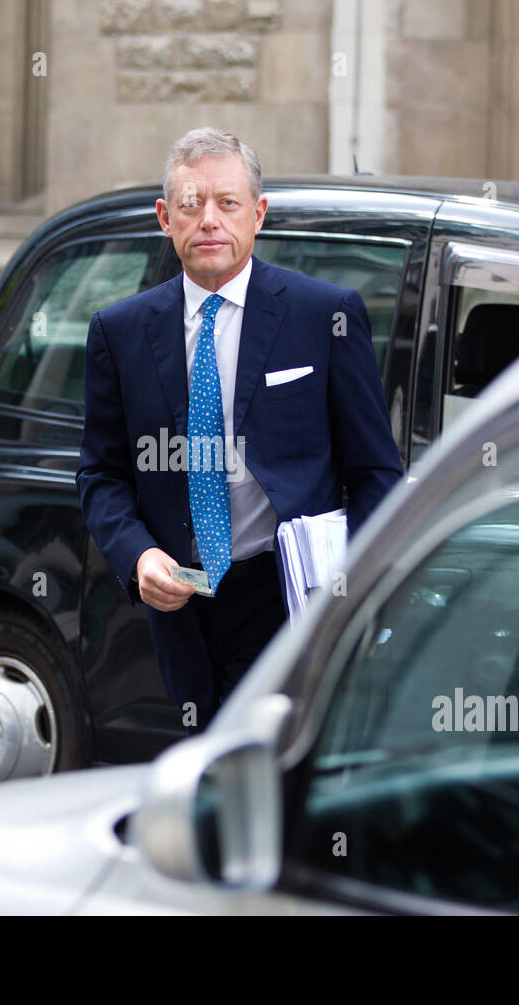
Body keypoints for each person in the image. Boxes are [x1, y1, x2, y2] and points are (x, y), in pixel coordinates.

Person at [76, 126, 403, 733]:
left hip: (285, 594)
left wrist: (359, 592)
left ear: (258, 214)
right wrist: (138, 555)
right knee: (200, 754)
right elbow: (101, 473)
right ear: (164, 218)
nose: (209, 220)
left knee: (256, 755)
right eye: (190, 204)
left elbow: (375, 472)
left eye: (227, 203)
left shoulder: (324, 316)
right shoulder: (119, 332)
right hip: (181, 599)